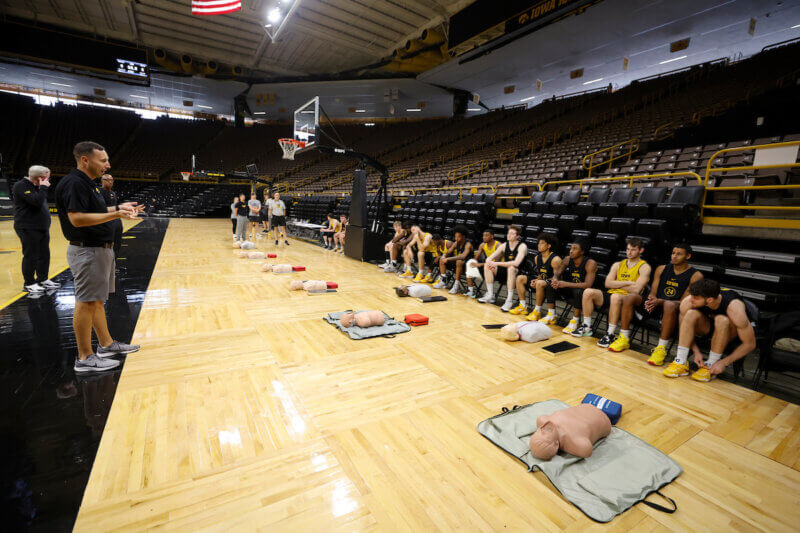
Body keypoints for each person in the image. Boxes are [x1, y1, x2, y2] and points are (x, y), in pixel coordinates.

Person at [54, 141, 143, 373]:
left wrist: (117, 209)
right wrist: (114, 215)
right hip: (88, 250)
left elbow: (97, 212)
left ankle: (105, 344)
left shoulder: (89, 184)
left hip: (99, 250)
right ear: (85, 160)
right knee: (86, 302)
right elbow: (77, 219)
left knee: (96, 301)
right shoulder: (75, 183)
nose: (108, 165)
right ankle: (84, 357)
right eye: (103, 161)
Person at [663, 279, 757, 382]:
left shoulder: (734, 308)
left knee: (721, 320)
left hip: (730, 333)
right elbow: (683, 327)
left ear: (710, 300)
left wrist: (724, 362)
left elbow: (750, 344)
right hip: (708, 329)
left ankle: (711, 364)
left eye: (695, 298)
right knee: (690, 314)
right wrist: (696, 351)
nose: (691, 299)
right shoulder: (689, 301)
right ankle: (681, 362)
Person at [574, 238, 651, 348]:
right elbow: (607, 283)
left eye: (633, 250)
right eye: (628, 249)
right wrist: (628, 283)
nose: (629, 252)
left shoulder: (644, 267)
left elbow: (636, 290)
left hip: (627, 299)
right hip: (613, 294)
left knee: (615, 297)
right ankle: (586, 327)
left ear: (641, 250)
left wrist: (617, 283)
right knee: (588, 292)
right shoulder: (618, 264)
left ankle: (610, 334)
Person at [643, 244, 703, 365]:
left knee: (669, 305)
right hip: (657, 305)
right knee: (629, 298)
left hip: (676, 310)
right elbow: (653, 292)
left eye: (679, 254)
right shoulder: (661, 269)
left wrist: (661, 301)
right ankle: (621, 337)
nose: (674, 256)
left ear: (688, 256)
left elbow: (684, 303)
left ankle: (661, 349)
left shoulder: (696, 276)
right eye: (673, 253)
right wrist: (651, 301)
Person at [12, 165, 61, 294]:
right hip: (27, 227)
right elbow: (36, 201)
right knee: (31, 256)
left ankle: (42, 279)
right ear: (40, 178)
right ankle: (29, 283)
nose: (48, 181)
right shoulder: (21, 186)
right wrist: (43, 187)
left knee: (44, 255)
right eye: (47, 178)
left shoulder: (37, 187)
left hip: (41, 227)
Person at [510, 233, 562, 322]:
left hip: (554, 285)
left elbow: (557, 279)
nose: (539, 245)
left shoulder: (555, 259)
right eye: (538, 243)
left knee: (540, 283)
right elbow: (540, 274)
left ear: (549, 246)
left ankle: (537, 311)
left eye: (542, 243)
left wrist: (540, 281)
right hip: (542, 281)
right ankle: (522, 306)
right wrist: (536, 280)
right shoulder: (537, 257)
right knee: (520, 278)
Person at [478, 225, 527, 311]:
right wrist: (489, 261)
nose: (509, 235)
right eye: (508, 233)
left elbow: (516, 263)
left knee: (511, 268)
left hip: (518, 273)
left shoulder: (522, 246)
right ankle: (490, 295)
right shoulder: (504, 245)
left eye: (512, 234)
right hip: (505, 271)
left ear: (517, 236)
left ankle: (509, 300)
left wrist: (496, 263)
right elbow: (489, 258)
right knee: (487, 265)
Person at [554, 238, 598, 335]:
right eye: (571, 248)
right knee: (550, 285)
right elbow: (557, 273)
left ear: (582, 252)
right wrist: (555, 279)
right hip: (571, 289)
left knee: (579, 291)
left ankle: (575, 321)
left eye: (575, 249)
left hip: (585, 293)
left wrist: (565, 284)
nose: (571, 251)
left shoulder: (590, 263)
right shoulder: (567, 259)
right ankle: (550, 314)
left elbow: (588, 285)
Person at [465, 229, 499, 298]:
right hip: (487, 265)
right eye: (483, 235)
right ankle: (470, 290)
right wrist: (473, 263)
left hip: (498, 267)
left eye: (486, 236)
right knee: (469, 263)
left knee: (487, 266)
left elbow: (497, 262)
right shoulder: (482, 245)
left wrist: (480, 264)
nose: (484, 237)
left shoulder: (498, 245)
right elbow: (476, 259)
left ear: (492, 236)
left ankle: (491, 294)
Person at [99, 174, 123, 257]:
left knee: (117, 244)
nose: (110, 182)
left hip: (116, 221)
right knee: (107, 245)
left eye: (112, 180)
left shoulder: (113, 193)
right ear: (102, 180)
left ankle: (113, 264)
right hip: (106, 222)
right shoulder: (99, 192)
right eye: (108, 180)